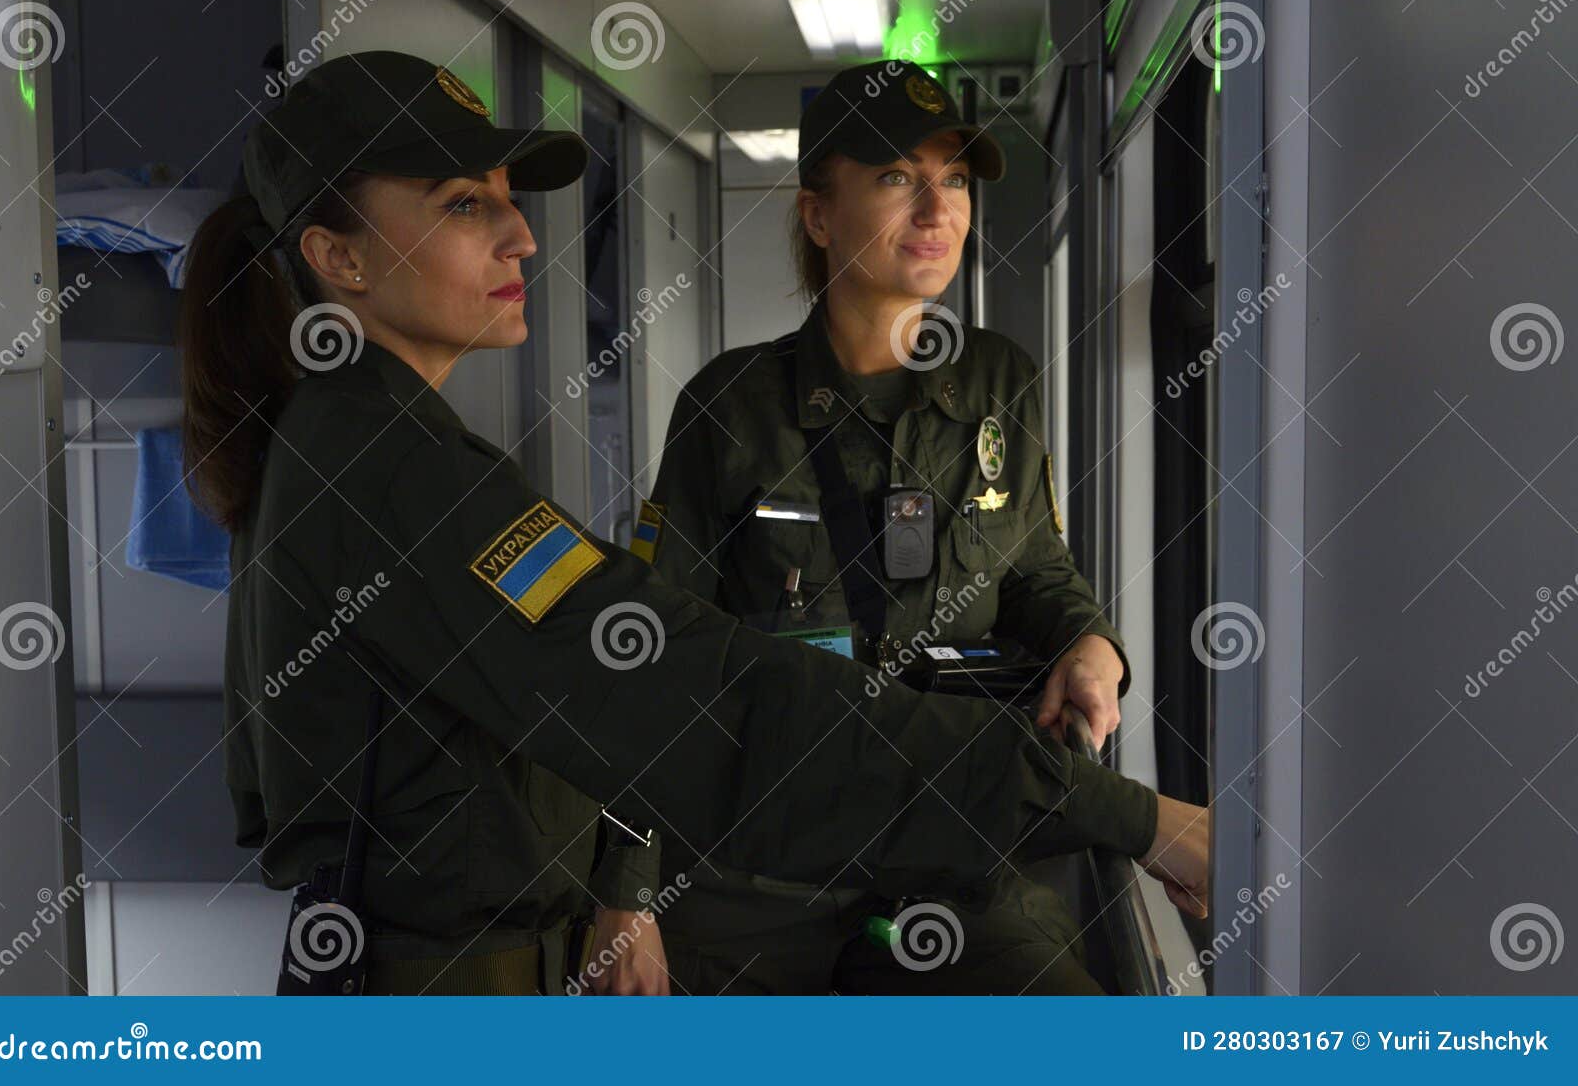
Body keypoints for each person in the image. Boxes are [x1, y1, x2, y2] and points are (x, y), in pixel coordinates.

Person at [178, 50, 1208, 997]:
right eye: (461, 203)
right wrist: (1130, 816)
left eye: (507, 199)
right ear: (339, 259)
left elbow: (1027, 565)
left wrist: (1087, 643)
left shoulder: (372, 440)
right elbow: (698, 700)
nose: (523, 233)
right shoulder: (388, 468)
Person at [639, 61, 1179, 994]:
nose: (937, 210)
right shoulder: (729, 404)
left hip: (953, 839)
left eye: (955, 181)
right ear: (818, 215)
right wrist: (629, 895)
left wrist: (1091, 644)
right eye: (896, 178)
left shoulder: (999, 379)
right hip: (761, 868)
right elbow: (651, 663)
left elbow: (1035, 565)